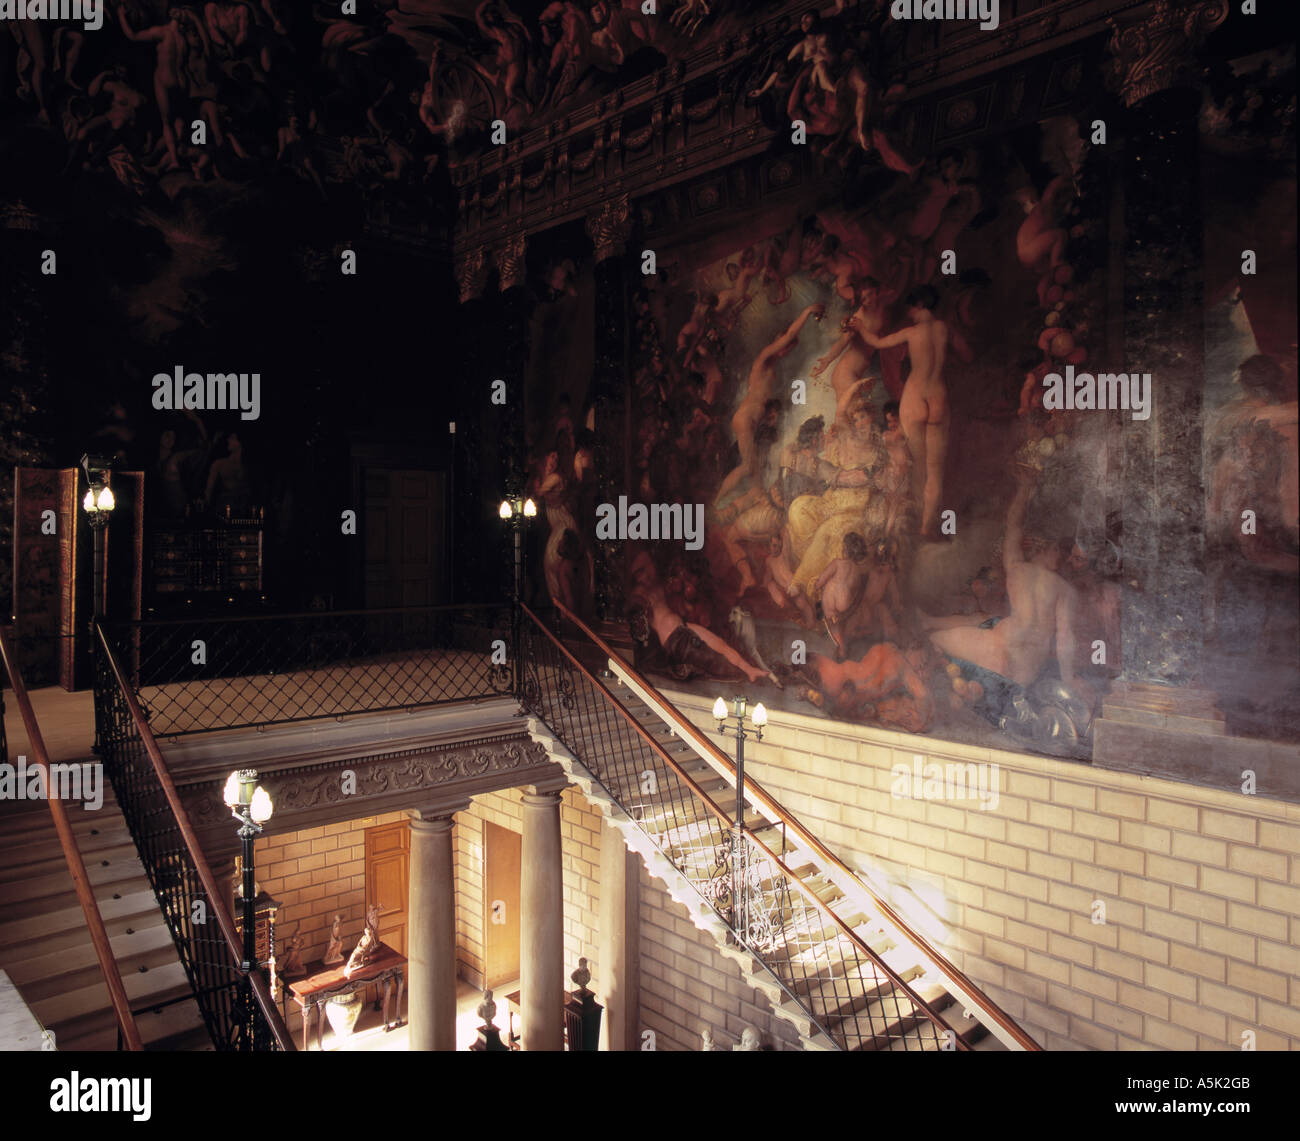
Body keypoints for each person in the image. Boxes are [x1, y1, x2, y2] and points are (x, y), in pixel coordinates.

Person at [929, 468, 1094, 725]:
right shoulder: (1065, 591)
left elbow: (1013, 525)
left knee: (933, 639)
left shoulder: (1018, 568)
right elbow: (1065, 638)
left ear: (1044, 548)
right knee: (975, 626)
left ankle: (956, 678)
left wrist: (1024, 488)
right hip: (1023, 672)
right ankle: (963, 684)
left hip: (996, 648)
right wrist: (1068, 677)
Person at [852, 284, 948, 539]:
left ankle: (915, 526)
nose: (909, 313)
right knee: (935, 469)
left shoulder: (911, 332)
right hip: (937, 397)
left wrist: (860, 327)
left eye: (910, 308)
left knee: (918, 468)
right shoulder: (942, 329)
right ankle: (927, 527)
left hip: (915, 397)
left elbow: (877, 341)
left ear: (918, 305)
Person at [715, 302, 825, 508]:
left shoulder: (772, 369)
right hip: (745, 419)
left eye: (789, 350)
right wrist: (807, 311)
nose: (785, 351)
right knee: (748, 467)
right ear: (778, 342)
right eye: (785, 346)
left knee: (753, 468)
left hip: (751, 421)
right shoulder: (764, 357)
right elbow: (791, 334)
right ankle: (716, 502)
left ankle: (750, 502)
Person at [816, 531, 870, 659]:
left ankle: (839, 647)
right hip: (845, 603)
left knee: (821, 601)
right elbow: (855, 592)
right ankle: (842, 645)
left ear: (845, 549)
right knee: (839, 622)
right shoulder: (858, 572)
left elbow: (821, 580)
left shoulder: (837, 563)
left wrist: (817, 584)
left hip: (830, 600)